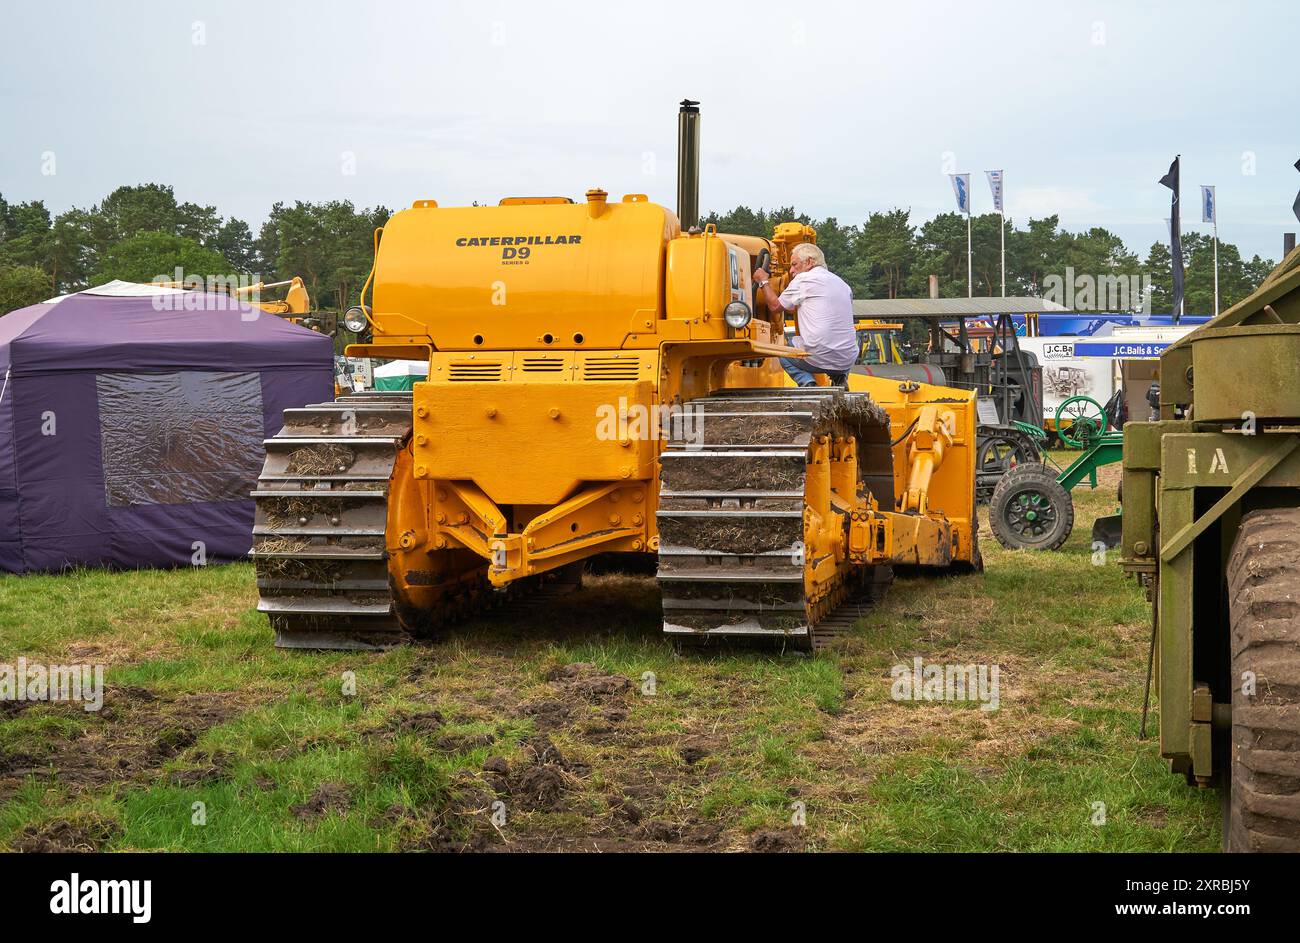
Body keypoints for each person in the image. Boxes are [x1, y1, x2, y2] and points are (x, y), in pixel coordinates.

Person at [753, 243, 859, 387]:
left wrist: (763, 282)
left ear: (809, 262)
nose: (791, 271)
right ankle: (840, 378)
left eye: (794, 264)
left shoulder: (803, 280)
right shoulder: (843, 285)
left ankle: (807, 383)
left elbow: (775, 306)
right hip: (847, 360)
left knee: (783, 350)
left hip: (818, 357)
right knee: (841, 343)